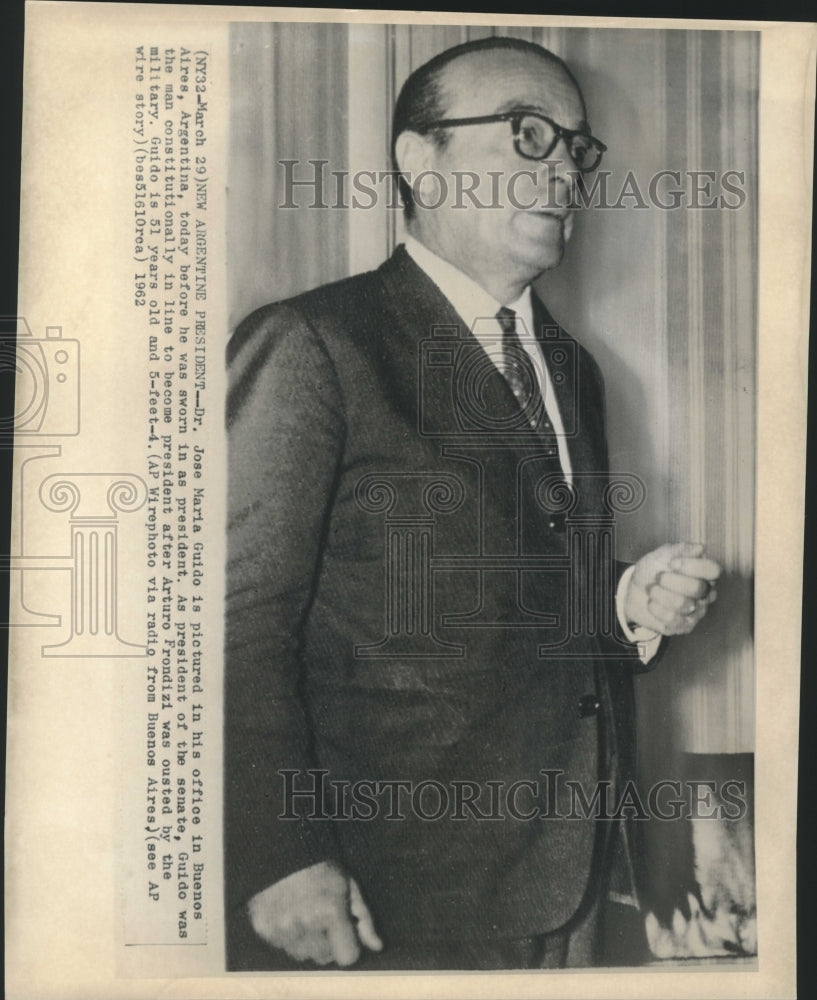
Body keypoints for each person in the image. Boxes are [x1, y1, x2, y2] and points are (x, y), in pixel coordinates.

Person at [225, 35, 721, 971]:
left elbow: (521, 589)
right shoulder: (314, 344)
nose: (563, 170)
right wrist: (277, 857)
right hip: (384, 895)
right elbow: (233, 622)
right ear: (420, 159)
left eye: (576, 148)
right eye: (528, 134)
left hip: (570, 880)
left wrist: (624, 601)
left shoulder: (569, 366)